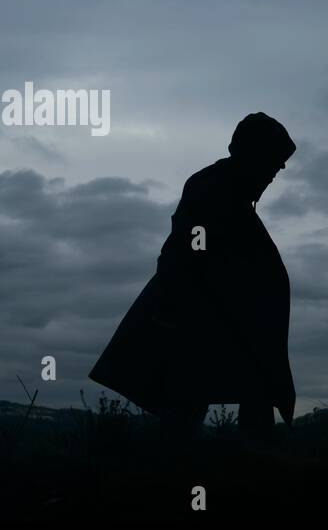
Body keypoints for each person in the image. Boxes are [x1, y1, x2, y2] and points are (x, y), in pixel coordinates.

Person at [89, 112, 297, 436]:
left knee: (244, 390)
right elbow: (189, 251)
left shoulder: (230, 194)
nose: (276, 173)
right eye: (273, 163)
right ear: (254, 156)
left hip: (221, 317)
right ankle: (198, 468)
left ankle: (247, 464)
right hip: (202, 317)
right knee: (193, 398)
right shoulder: (212, 190)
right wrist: (192, 299)